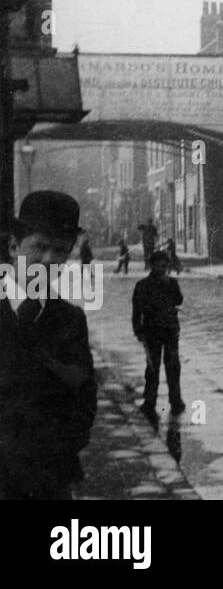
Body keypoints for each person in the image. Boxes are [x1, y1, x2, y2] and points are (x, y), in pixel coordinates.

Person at [0, 191, 98, 499]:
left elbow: (84, 397)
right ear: (14, 246)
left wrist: (59, 449)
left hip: (50, 479)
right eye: (40, 246)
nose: (49, 260)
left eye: (60, 250)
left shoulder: (70, 319)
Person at [132, 249, 185, 419]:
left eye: (165, 266)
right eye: (160, 266)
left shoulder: (172, 283)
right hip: (151, 331)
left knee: (173, 367)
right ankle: (150, 401)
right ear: (152, 266)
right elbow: (136, 311)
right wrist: (138, 330)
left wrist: (168, 283)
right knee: (152, 368)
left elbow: (179, 300)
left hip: (170, 330)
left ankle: (175, 401)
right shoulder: (142, 285)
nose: (163, 269)